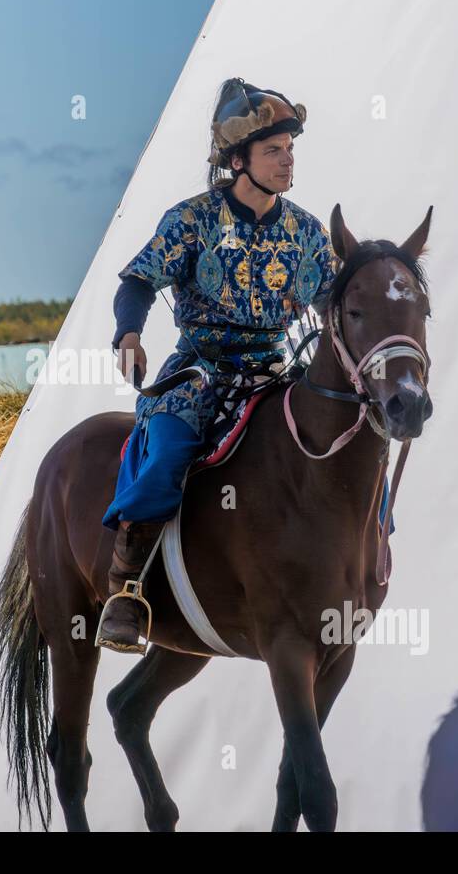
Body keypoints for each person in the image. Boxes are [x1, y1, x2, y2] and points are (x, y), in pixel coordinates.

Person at [96, 77, 342, 653]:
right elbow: (136, 280)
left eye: (289, 150)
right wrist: (128, 332)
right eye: (274, 151)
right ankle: (125, 590)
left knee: (344, 433)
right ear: (238, 160)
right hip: (199, 372)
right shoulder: (192, 220)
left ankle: (366, 555)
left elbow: (335, 303)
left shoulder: (308, 233)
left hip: (275, 371)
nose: (287, 162)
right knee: (171, 453)